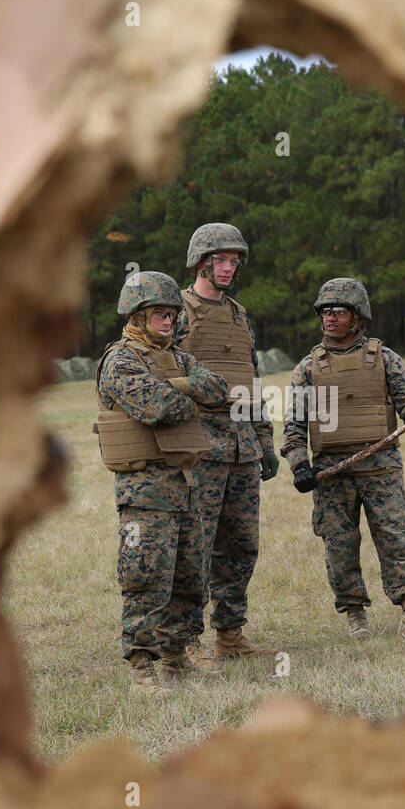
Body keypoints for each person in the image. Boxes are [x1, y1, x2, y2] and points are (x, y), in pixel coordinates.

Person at [281, 278, 405, 640]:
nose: (329, 318)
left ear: (357, 316)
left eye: (338, 311)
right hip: (331, 473)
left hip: (380, 469)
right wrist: (299, 464)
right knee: (339, 547)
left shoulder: (385, 359)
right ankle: (355, 614)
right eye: (325, 312)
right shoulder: (308, 367)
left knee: (394, 538)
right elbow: (294, 423)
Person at [93, 271, 229, 694]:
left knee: (190, 576)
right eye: (159, 314)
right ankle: (142, 667)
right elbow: (157, 405)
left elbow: (220, 389)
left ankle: (176, 657)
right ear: (137, 314)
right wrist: (188, 395)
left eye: (172, 314)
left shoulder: (178, 356)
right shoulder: (120, 360)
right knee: (146, 577)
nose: (168, 321)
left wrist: (181, 386)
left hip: (184, 483)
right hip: (144, 490)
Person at [174, 223, 277, 663]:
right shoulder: (176, 310)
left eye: (235, 261)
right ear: (201, 262)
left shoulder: (238, 314)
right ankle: (186, 642)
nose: (229, 267)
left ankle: (230, 637)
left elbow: (251, 380)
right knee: (195, 545)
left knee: (240, 545)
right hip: (199, 449)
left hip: (242, 450)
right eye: (221, 260)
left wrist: (265, 440)